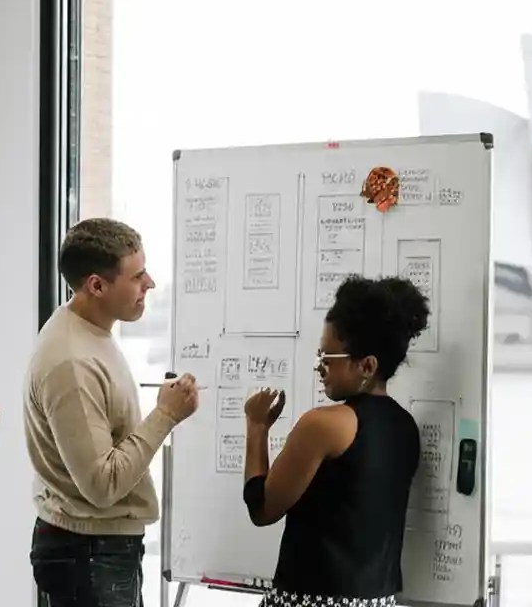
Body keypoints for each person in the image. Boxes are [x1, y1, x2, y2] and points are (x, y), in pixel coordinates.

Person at [25, 218, 200, 606]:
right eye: (137, 276)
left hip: (96, 548)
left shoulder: (91, 332)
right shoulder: (72, 361)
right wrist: (165, 416)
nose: (150, 283)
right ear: (97, 285)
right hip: (89, 551)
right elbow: (101, 485)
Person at [243, 275, 427, 607]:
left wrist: (256, 428)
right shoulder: (406, 427)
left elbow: (262, 507)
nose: (320, 367)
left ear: (367, 365)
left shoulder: (323, 425)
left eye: (329, 358)